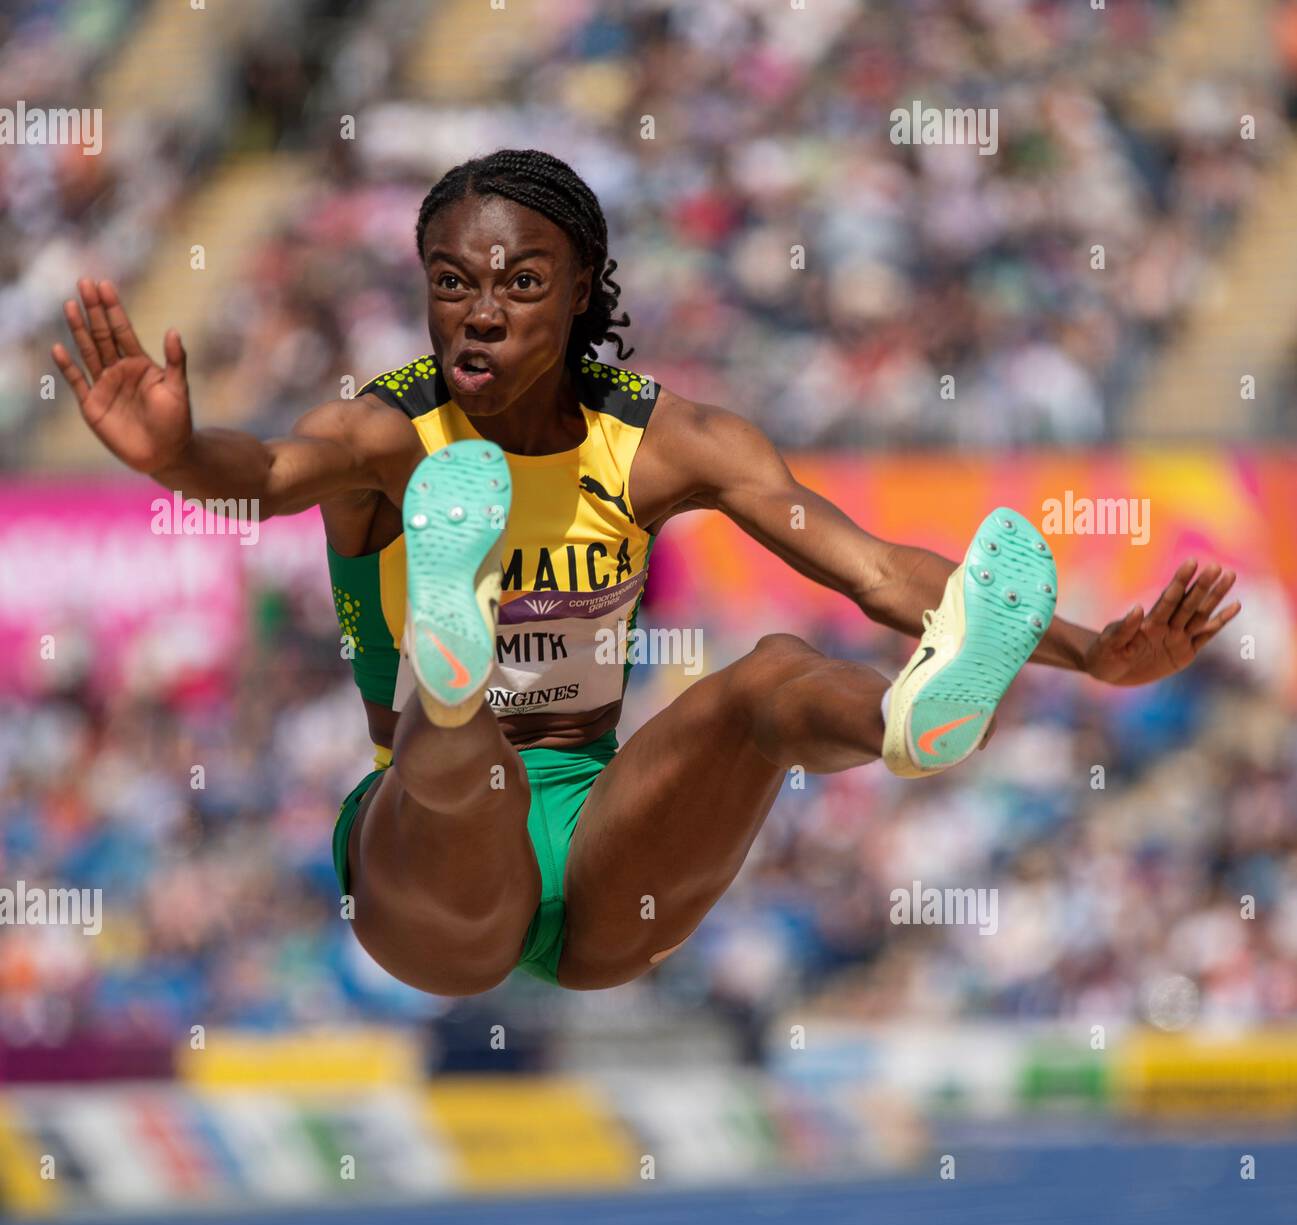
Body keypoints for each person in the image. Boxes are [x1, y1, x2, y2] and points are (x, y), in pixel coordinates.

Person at [52, 149, 1241, 995]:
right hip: (424, 864)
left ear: (579, 294)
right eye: (451, 283)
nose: (478, 313)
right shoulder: (383, 431)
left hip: (604, 851)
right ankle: (456, 670)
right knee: (469, 762)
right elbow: (259, 469)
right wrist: (175, 455)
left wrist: (1090, 652)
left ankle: (907, 719)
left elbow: (877, 572)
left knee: (771, 677)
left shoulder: (671, 440)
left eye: (520, 284)